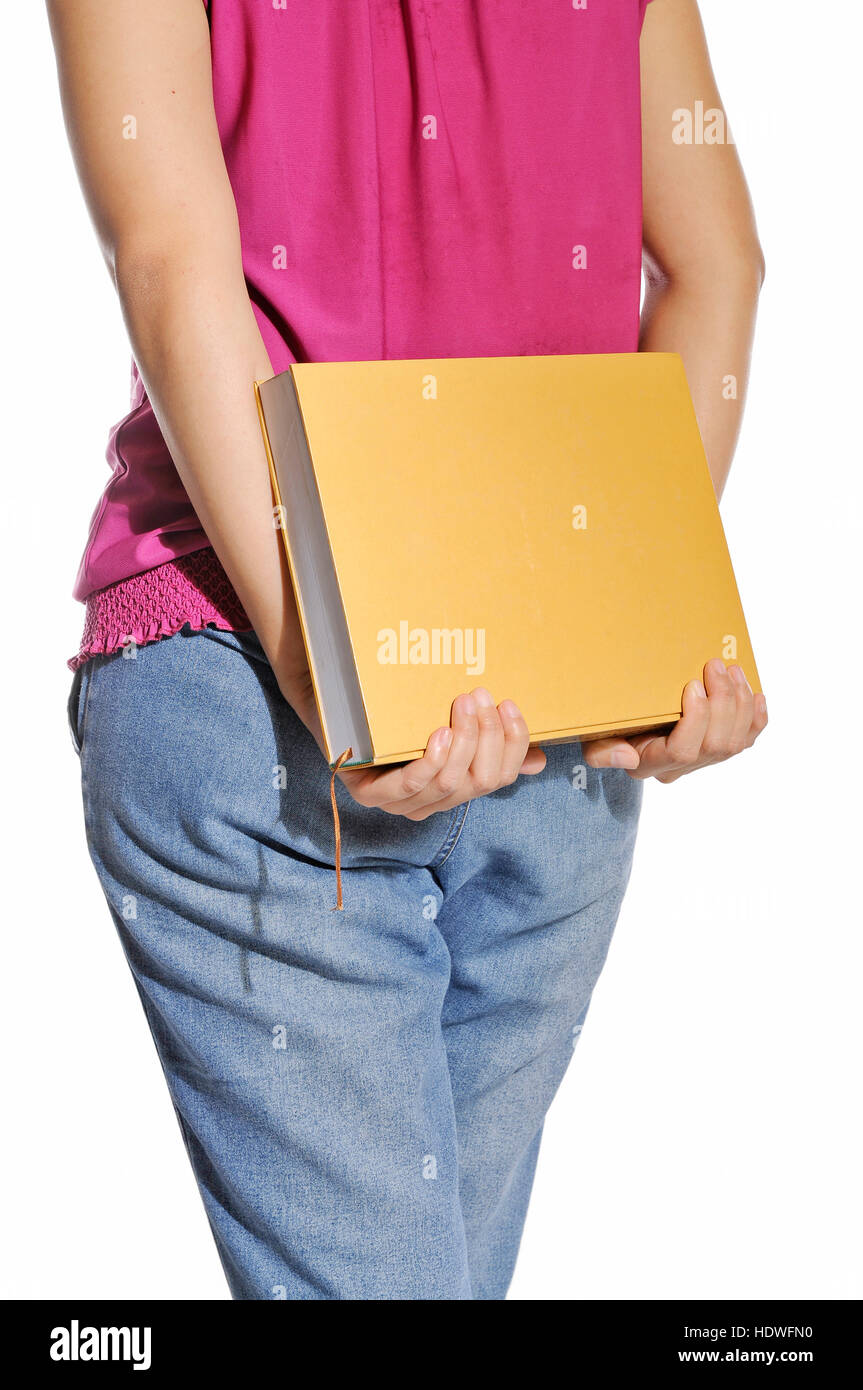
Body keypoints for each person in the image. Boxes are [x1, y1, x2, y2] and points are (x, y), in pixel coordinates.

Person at [51, 0, 767, 1300]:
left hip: (250, 674)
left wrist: (330, 660)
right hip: (533, 716)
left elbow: (168, 255)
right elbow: (720, 264)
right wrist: (627, 613)